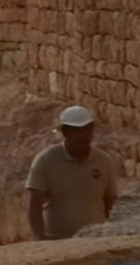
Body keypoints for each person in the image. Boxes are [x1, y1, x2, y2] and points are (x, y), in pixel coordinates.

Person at [24, 103, 120, 241]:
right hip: (57, 242)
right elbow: (35, 205)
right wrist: (40, 239)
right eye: (76, 130)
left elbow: (111, 202)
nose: (83, 135)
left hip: (95, 241)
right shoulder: (45, 160)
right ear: (65, 132)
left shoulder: (104, 161)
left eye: (87, 129)